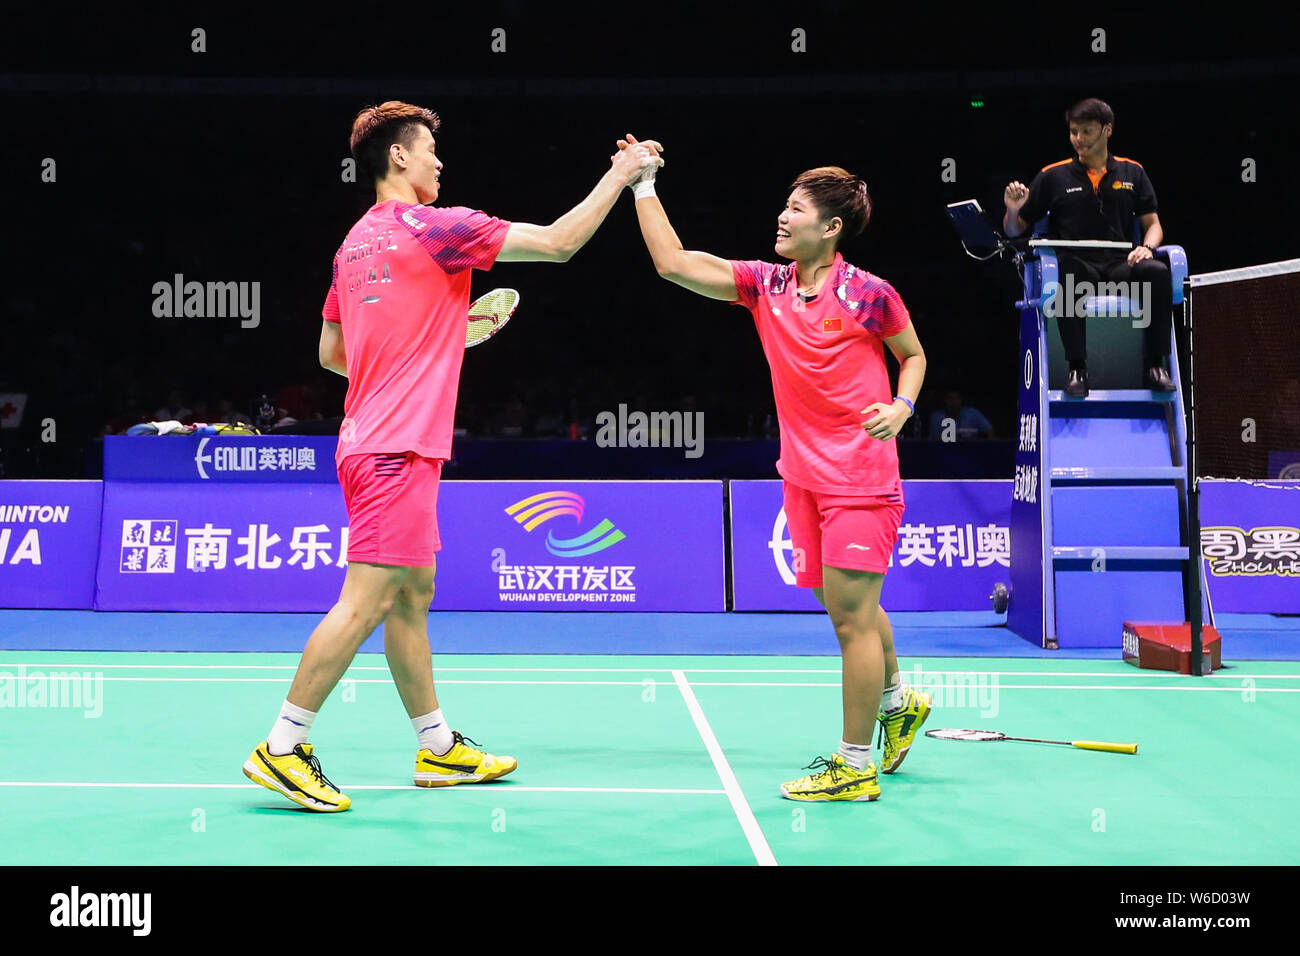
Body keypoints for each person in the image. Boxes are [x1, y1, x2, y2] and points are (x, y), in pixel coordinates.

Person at [242, 102, 662, 812]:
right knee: (368, 598)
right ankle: (282, 746)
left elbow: (331, 355)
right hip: (395, 450)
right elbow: (559, 244)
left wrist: (434, 340)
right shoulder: (438, 227)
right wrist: (622, 174)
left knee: (410, 597)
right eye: (430, 149)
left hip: (369, 441)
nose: (440, 161)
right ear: (398, 157)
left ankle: (439, 750)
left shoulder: (353, 244)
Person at [622, 136, 930, 802]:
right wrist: (642, 185)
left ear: (832, 227)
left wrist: (903, 406)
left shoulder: (870, 294)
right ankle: (899, 701)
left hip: (861, 478)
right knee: (848, 606)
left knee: (851, 619)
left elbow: (913, 355)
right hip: (802, 476)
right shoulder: (767, 287)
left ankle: (853, 763)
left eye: (796, 210)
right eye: (785, 207)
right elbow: (674, 264)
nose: (783, 218)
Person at [1003, 98, 1174, 397]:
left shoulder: (1133, 172)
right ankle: (1077, 369)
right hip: (1078, 266)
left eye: (1086, 131)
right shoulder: (1052, 176)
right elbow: (1015, 229)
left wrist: (1147, 247)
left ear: (1107, 130)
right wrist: (1013, 209)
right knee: (1068, 272)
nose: (1078, 139)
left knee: (1157, 273)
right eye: (1073, 132)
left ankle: (1155, 366)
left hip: (1122, 264)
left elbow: (1154, 223)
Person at [928, 389, 994, 439]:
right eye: (950, 398)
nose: (953, 402)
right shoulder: (936, 417)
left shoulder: (973, 413)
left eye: (956, 398)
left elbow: (989, 430)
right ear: (945, 400)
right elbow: (933, 439)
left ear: (961, 400)